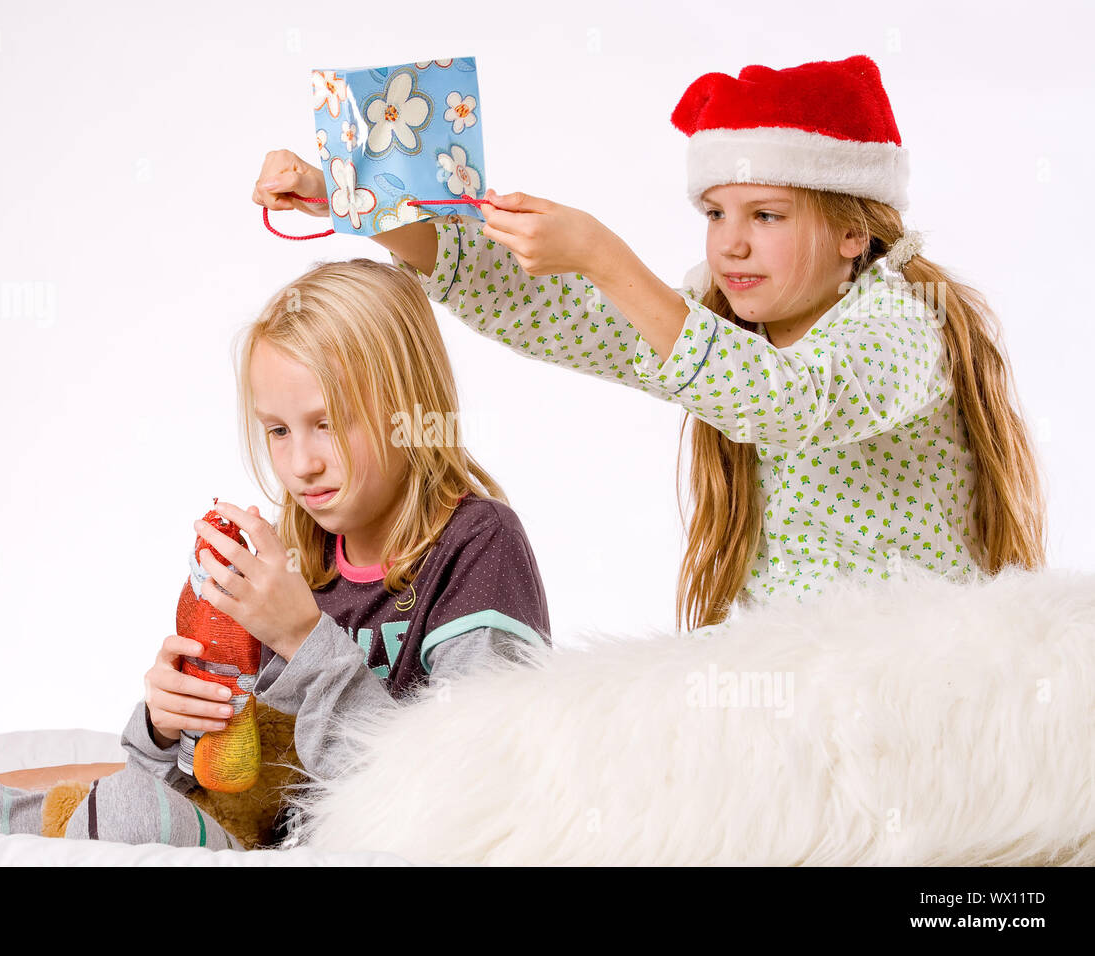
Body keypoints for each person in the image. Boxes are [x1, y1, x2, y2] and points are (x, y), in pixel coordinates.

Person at [252, 53, 1047, 635]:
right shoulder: (728, 322)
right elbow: (560, 311)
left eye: (765, 216)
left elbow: (784, 400)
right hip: (787, 671)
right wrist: (362, 201)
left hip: (912, 667)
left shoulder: (902, 324)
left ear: (851, 230)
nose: (731, 245)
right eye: (715, 214)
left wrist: (605, 254)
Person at [0, 257, 551, 850]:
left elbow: (461, 793)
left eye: (329, 423)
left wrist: (301, 638)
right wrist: (169, 723)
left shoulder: (477, 546)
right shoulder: (298, 557)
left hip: (314, 843)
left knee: (118, 814)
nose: (301, 464)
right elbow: (221, 772)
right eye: (279, 431)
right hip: (235, 824)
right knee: (110, 793)